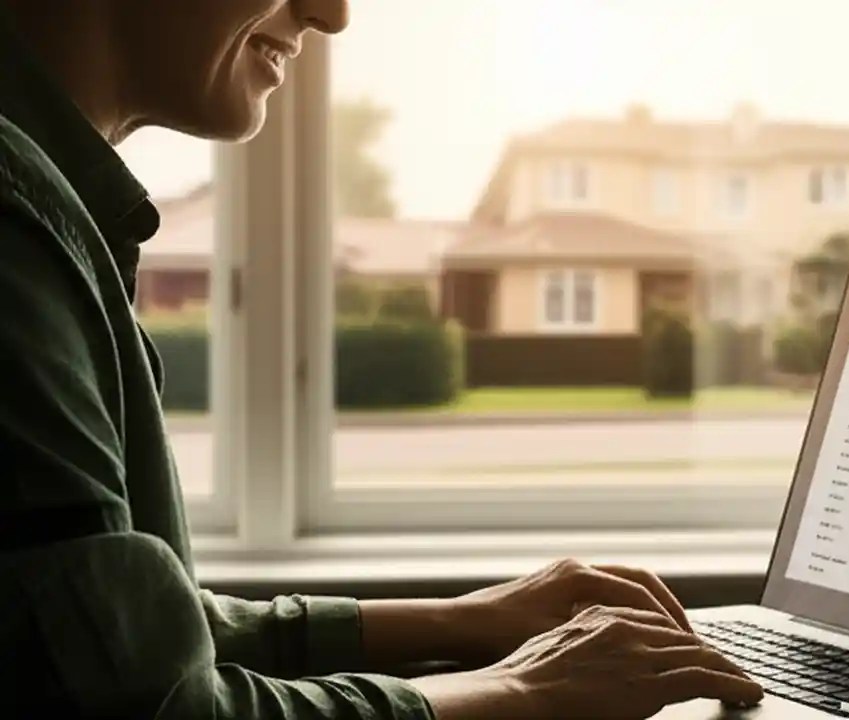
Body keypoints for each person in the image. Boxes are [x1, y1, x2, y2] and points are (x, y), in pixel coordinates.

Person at [0, 1, 765, 718]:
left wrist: (462, 621)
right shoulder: (14, 227)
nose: (330, 14)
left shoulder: (46, 206)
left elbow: (112, 637)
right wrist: (519, 688)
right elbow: (155, 703)